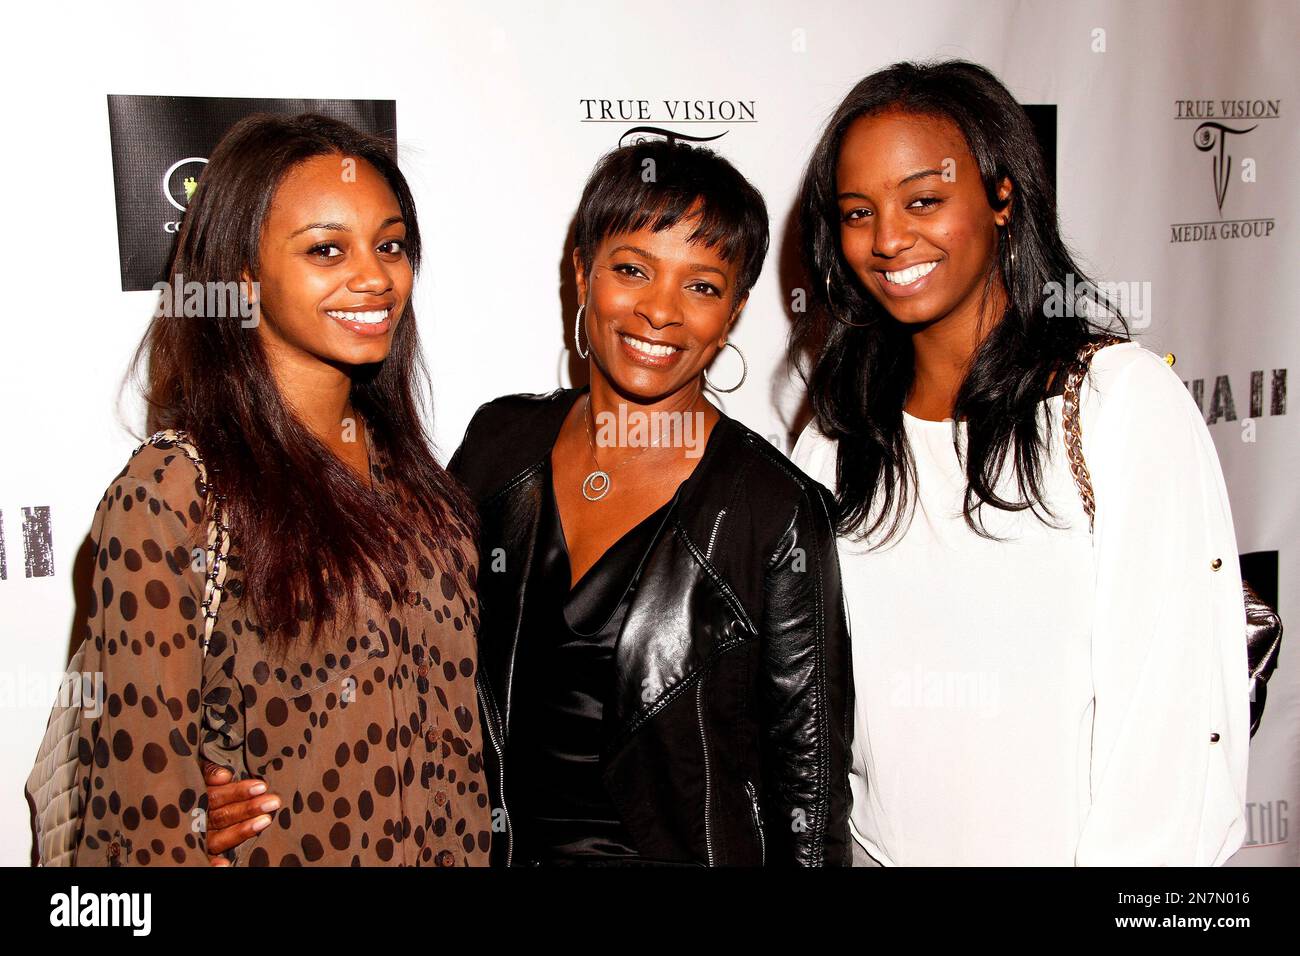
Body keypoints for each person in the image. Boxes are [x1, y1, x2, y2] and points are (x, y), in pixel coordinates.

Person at [210, 138, 853, 866]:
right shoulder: (500, 443)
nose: (659, 311)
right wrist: (230, 775)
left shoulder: (774, 509)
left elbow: (811, 797)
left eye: (701, 287)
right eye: (632, 270)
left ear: (734, 309)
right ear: (582, 272)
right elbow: (388, 647)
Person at [791, 60, 1248, 866]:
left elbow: (1172, 717)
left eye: (923, 200)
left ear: (1002, 196)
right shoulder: (836, 440)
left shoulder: (1115, 404)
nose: (888, 240)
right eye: (859, 212)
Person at [71, 113, 492, 866]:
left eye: (390, 245)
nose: (376, 277)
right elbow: (138, 820)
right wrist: (187, 816)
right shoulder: (174, 493)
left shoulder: (417, 484)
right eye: (326, 249)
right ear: (242, 275)